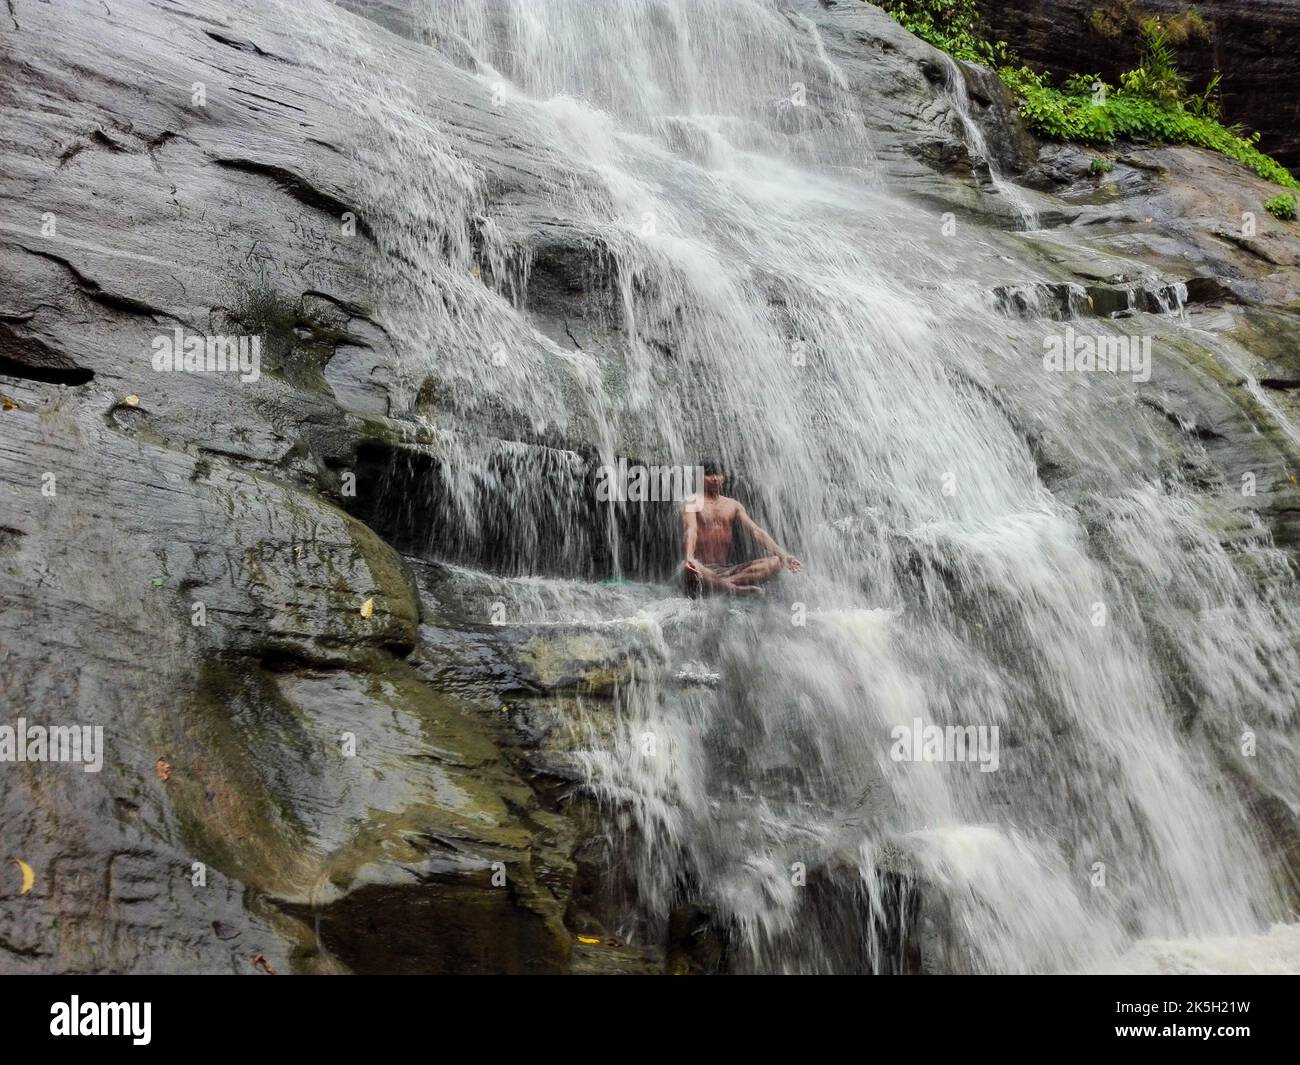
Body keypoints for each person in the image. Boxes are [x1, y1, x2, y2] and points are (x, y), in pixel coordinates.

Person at [682, 459, 802, 597]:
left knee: (776, 562)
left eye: (718, 474)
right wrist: (689, 557)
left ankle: (725, 584)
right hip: (702, 568)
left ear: (724, 476)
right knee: (690, 567)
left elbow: (756, 532)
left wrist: (785, 556)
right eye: (709, 474)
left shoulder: (734, 505)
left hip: (727, 569)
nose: (715, 478)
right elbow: (691, 530)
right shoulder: (692, 502)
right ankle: (736, 589)